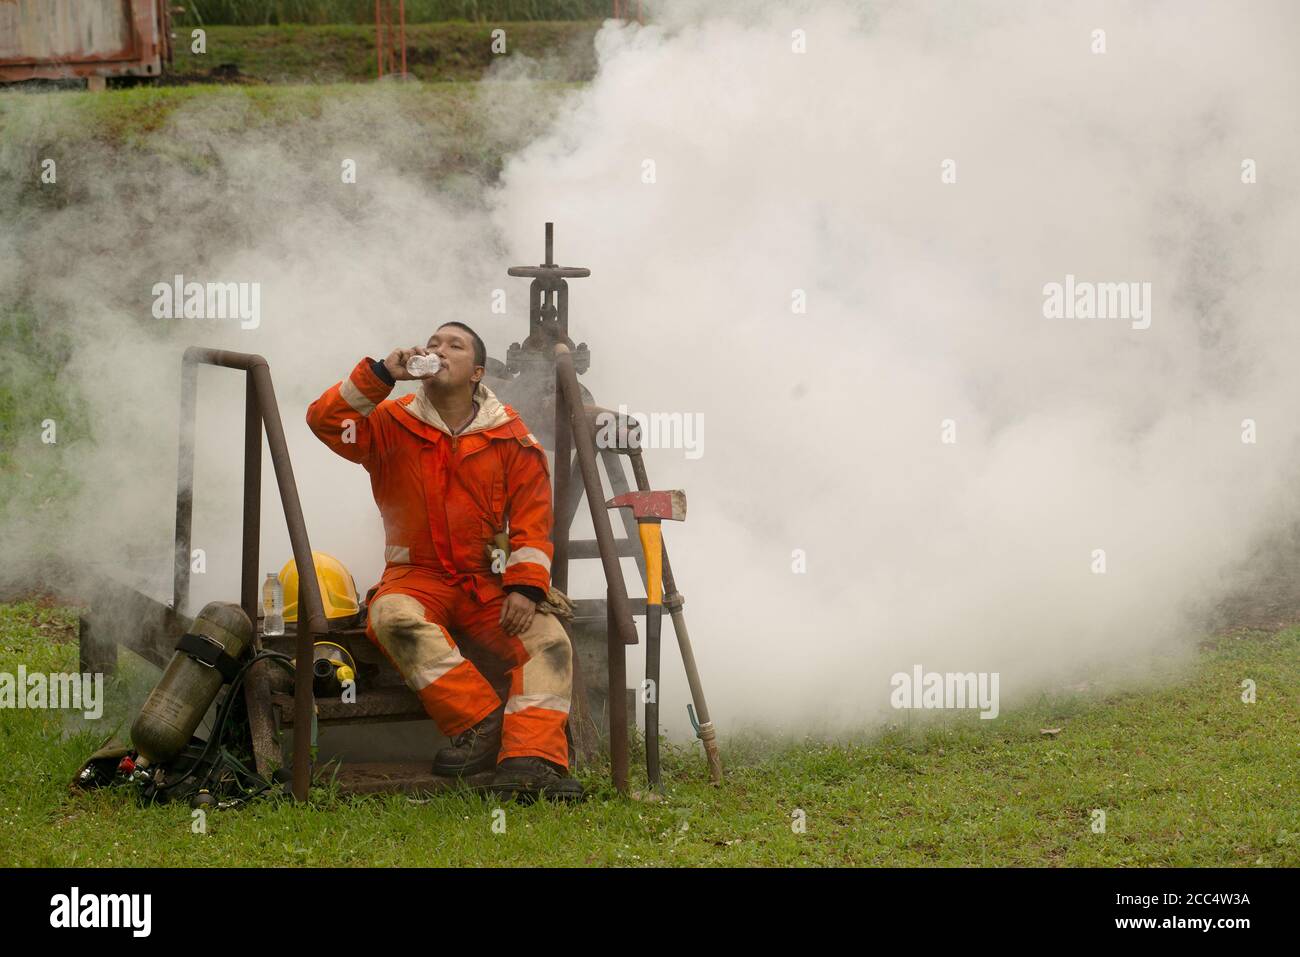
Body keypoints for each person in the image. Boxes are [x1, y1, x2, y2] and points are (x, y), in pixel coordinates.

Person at [306, 321, 581, 800]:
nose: (438, 349)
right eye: (433, 342)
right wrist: (379, 373)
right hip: (416, 578)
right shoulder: (391, 424)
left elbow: (534, 524)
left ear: (477, 372)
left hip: (489, 581)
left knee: (550, 642)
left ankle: (530, 761)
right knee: (391, 616)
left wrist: (525, 587)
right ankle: (480, 722)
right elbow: (325, 421)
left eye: (454, 345)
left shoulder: (511, 437)